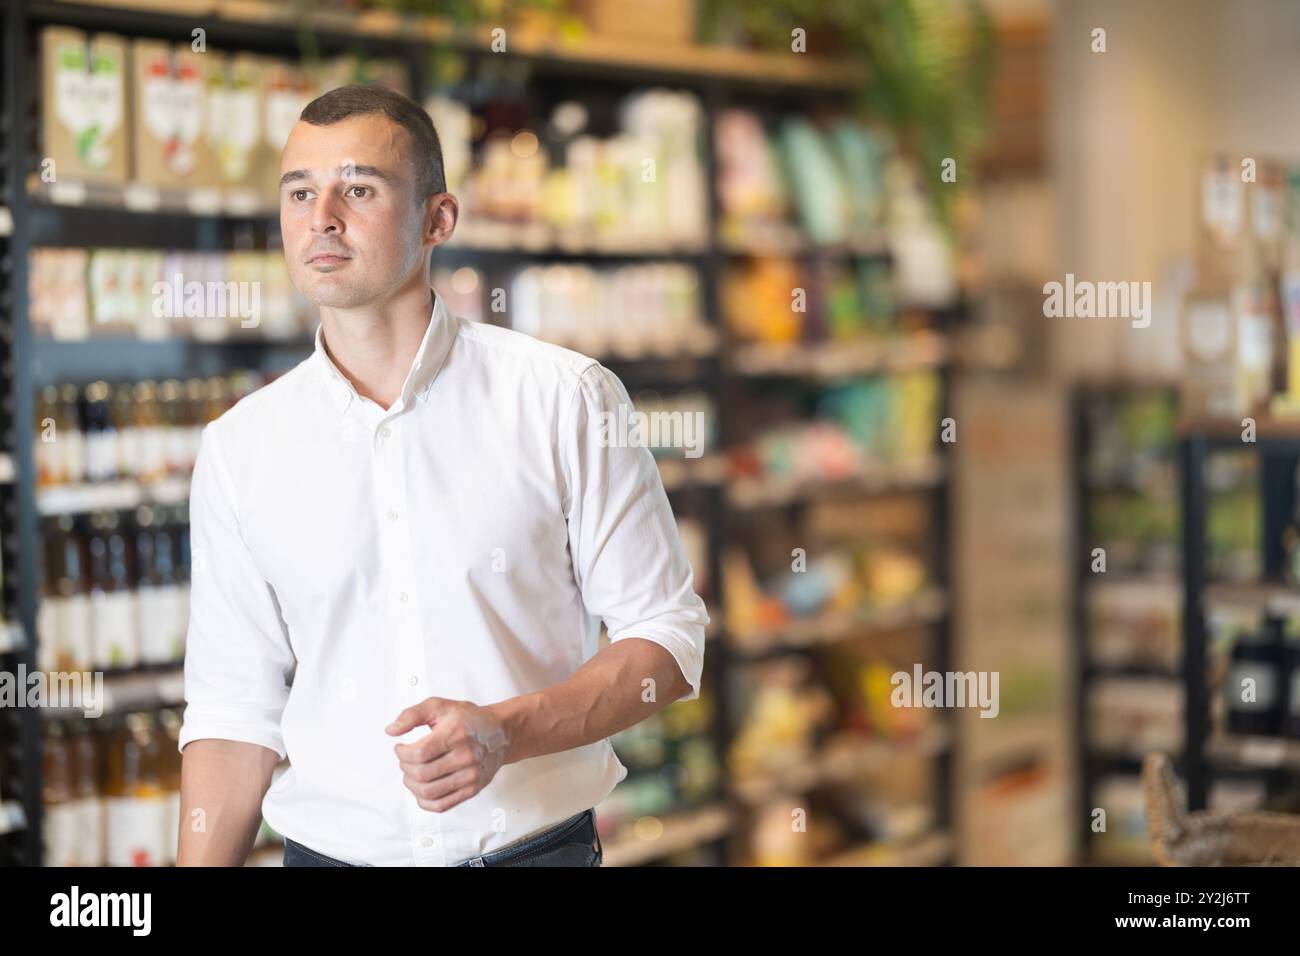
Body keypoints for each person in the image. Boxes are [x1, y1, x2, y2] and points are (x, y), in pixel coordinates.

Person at [176, 85, 708, 867]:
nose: (322, 216)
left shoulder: (563, 398)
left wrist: (508, 731)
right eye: (299, 192)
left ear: (438, 220)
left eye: (358, 188)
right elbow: (231, 717)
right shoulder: (239, 449)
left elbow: (667, 643)